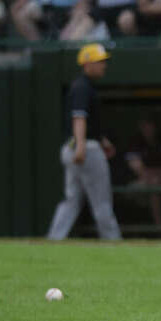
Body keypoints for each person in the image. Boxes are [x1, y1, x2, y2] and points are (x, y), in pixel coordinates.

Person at [47, 43, 121, 241]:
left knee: (71, 199)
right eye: (100, 61)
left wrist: (101, 140)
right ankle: (113, 241)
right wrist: (81, 146)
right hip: (85, 149)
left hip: (75, 146)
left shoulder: (82, 85)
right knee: (101, 201)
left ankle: (54, 239)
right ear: (87, 64)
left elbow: (87, 122)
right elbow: (79, 118)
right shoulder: (82, 87)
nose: (104, 65)